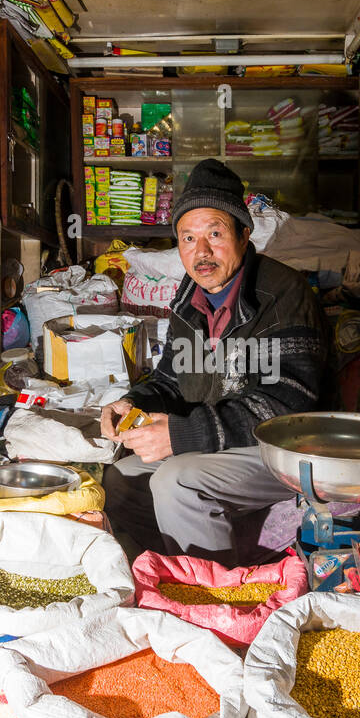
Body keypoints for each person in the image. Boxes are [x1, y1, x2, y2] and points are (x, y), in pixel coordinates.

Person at [101, 158, 326, 564]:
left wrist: (184, 436)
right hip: (219, 442)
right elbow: (170, 380)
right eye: (187, 238)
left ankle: (218, 598)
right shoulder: (189, 298)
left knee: (177, 481)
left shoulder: (282, 293)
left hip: (283, 450)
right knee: (120, 478)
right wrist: (132, 404)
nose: (200, 252)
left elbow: (289, 404)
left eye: (215, 234)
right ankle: (164, 577)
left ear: (244, 234)